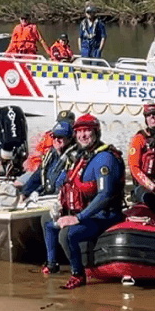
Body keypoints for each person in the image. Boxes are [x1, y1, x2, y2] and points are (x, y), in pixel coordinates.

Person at [44, 114, 124, 289]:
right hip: (88, 213)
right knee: (49, 224)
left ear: (96, 132)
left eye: (87, 130)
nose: (83, 135)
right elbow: (64, 184)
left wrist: (78, 218)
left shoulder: (105, 159)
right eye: (79, 131)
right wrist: (61, 205)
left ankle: (78, 275)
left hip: (106, 216)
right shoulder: (81, 157)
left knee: (68, 233)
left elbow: (105, 195)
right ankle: (51, 265)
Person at [18, 119, 77, 201]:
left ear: (69, 139)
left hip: (63, 199)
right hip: (48, 196)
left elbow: (62, 183)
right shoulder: (51, 155)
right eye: (54, 136)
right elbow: (38, 176)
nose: (56, 140)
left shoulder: (75, 157)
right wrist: (24, 193)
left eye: (60, 137)